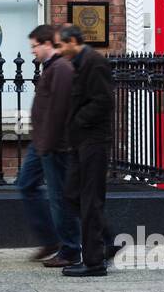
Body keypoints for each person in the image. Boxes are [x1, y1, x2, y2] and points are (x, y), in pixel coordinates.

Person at [15, 25, 82, 267]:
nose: (32, 51)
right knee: (26, 184)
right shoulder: (51, 67)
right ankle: (51, 239)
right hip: (41, 141)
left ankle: (71, 249)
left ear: (46, 44)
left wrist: (49, 144)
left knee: (59, 197)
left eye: (34, 46)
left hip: (53, 144)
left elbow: (60, 111)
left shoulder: (61, 67)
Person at [59, 24, 114, 278]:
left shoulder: (95, 62)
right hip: (80, 142)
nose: (59, 51)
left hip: (94, 141)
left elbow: (104, 102)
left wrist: (79, 120)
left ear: (72, 41)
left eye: (61, 45)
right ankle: (108, 241)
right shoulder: (79, 63)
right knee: (72, 195)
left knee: (90, 201)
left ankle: (94, 262)